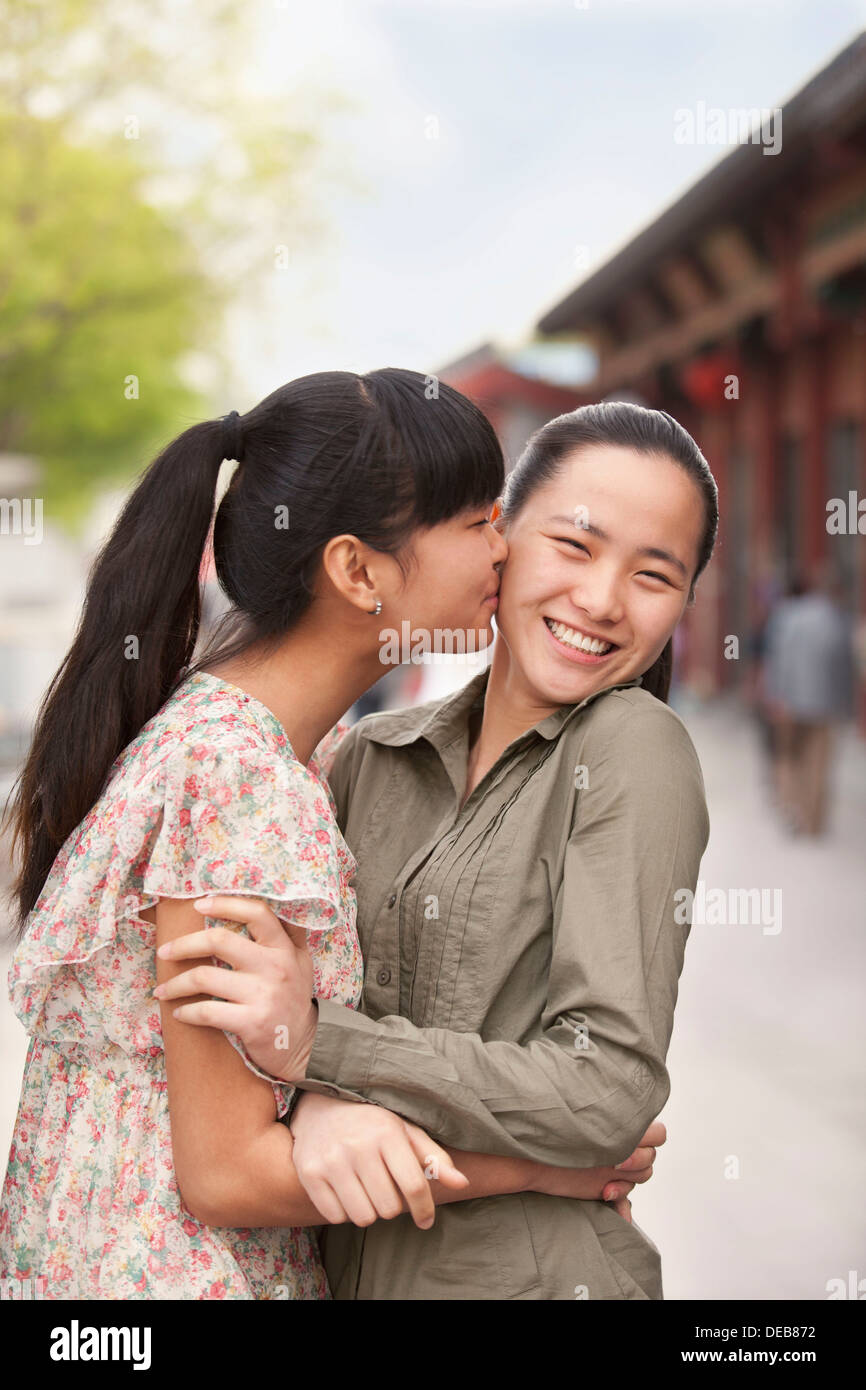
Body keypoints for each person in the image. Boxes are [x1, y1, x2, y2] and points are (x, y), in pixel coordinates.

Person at [0, 371, 653, 1300]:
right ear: (357, 572)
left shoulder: (275, 748)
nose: (506, 548)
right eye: (475, 522)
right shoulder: (235, 781)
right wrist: (553, 1168)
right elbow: (225, 1173)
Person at [158, 401, 717, 1300]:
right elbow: (249, 1071)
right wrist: (325, 1093)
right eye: (575, 547)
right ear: (500, 542)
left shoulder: (631, 749)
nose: (602, 600)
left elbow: (607, 1090)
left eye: (655, 576)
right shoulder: (369, 758)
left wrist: (322, 1046)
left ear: (687, 603)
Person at [763, 571, 856, 835]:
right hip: (826, 705)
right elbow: (845, 668)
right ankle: (815, 821)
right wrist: (846, 706)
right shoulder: (838, 621)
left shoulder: (789, 616)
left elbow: (778, 658)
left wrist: (776, 694)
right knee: (819, 763)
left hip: (790, 702)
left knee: (791, 757)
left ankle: (793, 810)